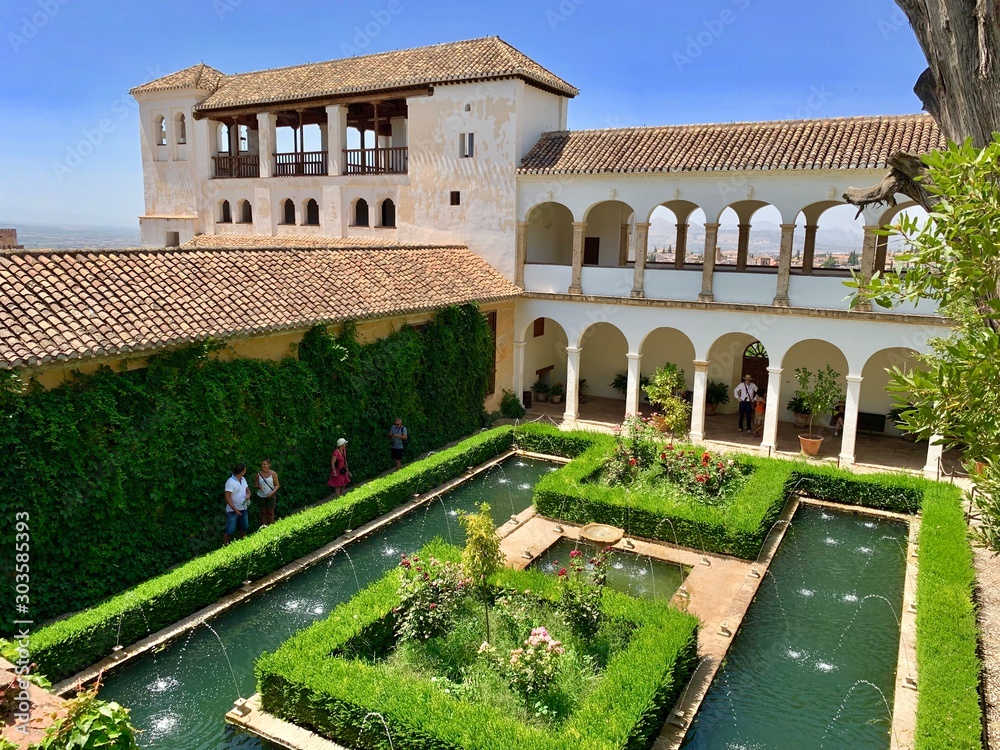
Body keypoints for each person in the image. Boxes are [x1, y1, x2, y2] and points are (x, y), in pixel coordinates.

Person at [223, 463, 250, 545]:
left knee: (244, 527)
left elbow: (247, 490)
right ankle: (225, 545)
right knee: (230, 530)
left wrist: (248, 495)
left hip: (243, 508)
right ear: (242, 471)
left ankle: (243, 543)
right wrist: (235, 509)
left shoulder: (243, 479)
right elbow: (227, 497)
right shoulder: (230, 482)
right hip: (232, 510)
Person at [256, 459, 280, 526]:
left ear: (269, 465)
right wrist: (258, 487)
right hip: (261, 495)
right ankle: (264, 526)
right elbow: (255, 484)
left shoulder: (273, 474)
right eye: (262, 464)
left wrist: (272, 493)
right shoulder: (258, 474)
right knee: (263, 512)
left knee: (270, 512)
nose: (263, 465)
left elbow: (277, 485)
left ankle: (272, 526)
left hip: (271, 496)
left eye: (265, 464)